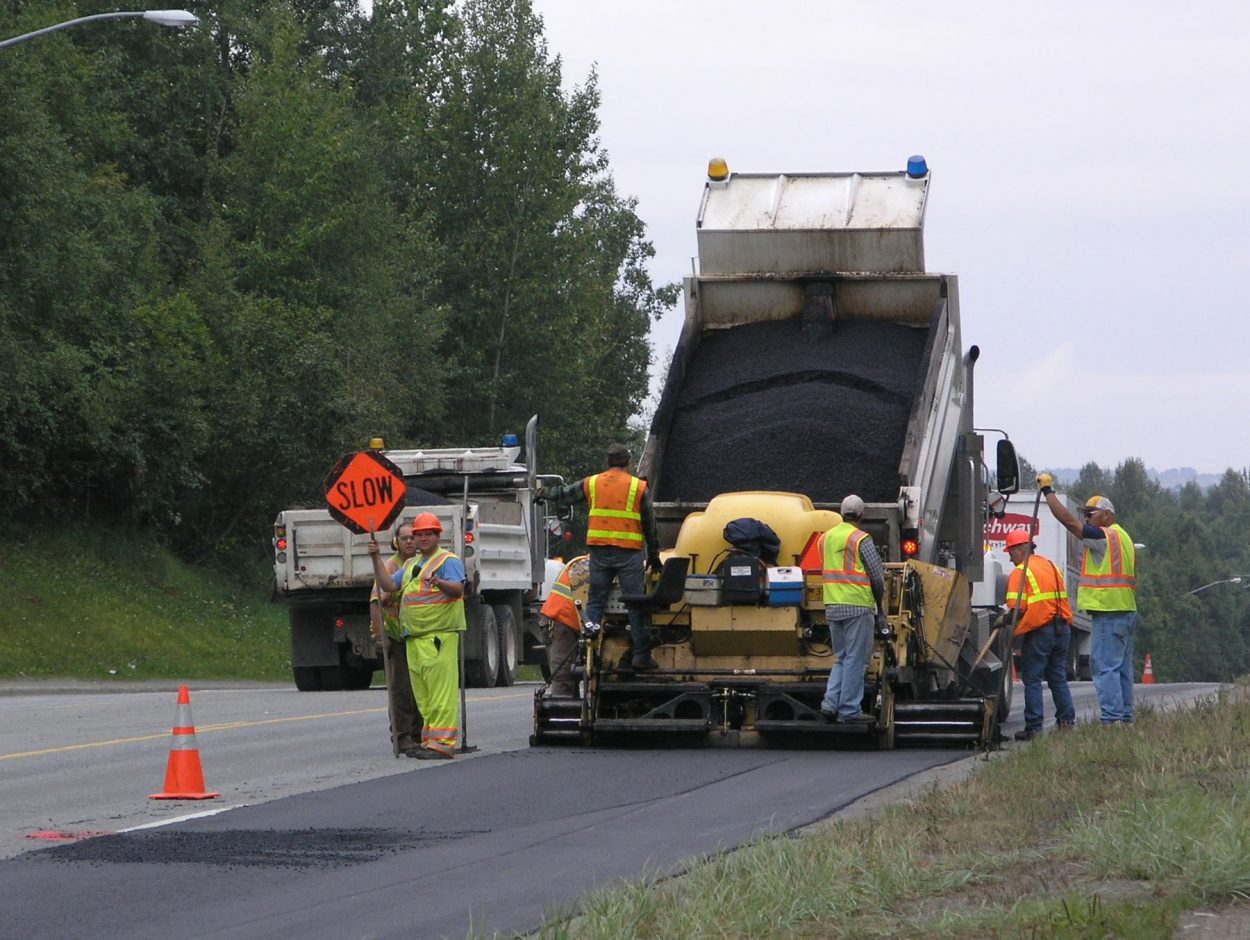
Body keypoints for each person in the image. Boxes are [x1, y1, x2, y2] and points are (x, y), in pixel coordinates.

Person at [541, 444, 662, 670]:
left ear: (607, 462)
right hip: (628, 554)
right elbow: (650, 526)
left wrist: (544, 493)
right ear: (628, 463)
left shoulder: (593, 483)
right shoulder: (638, 487)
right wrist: (654, 556)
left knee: (596, 600)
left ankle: (591, 649)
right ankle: (640, 656)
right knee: (635, 603)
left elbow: (565, 495)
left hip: (599, 553)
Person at [1038, 475, 1137, 724]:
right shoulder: (1122, 537)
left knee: (1104, 669)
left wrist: (1048, 492)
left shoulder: (1105, 538)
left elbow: (1070, 523)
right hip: (1125, 611)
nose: (1086, 519)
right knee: (1121, 670)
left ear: (1106, 514)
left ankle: (1112, 721)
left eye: (1090, 513)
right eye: (1085, 514)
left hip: (1109, 612)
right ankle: (1124, 719)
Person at [368, 511, 467, 759]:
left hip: (438, 637)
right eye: (418, 534)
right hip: (414, 638)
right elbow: (389, 586)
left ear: (437, 536)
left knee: (440, 693)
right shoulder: (412, 565)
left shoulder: (448, 561)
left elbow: (458, 589)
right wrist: (376, 557)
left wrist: (440, 583)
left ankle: (443, 744)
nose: (422, 539)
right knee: (423, 696)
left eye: (427, 534)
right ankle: (429, 741)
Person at [1001, 527, 1076, 740]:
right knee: (1058, 677)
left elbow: (1018, 609)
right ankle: (1066, 723)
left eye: (1011, 553)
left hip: (1040, 631)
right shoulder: (1050, 566)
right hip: (1063, 630)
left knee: (1032, 678)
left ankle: (1033, 727)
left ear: (1020, 549)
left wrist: (1007, 624)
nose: (1010, 558)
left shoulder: (1020, 572)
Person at [818, 495, 885, 724]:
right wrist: (880, 602)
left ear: (841, 512)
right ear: (862, 515)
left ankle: (829, 703)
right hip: (857, 607)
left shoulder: (825, 538)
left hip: (832, 605)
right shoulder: (860, 539)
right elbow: (877, 576)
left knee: (841, 658)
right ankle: (848, 711)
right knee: (856, 660)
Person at [369, 522, 424, 756]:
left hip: (419, 636)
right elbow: (376, 601)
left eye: (413, 537)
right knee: (401, 690)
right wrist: (381, 636)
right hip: (397, 637)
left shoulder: (423, 564)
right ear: (396, 542)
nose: (409, 542)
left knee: (420, 690)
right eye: (404, 538)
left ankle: (417, 735)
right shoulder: (391, 566)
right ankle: (401, 737)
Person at [540, 554, 590, 696]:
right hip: (561, 621)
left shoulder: (580, 562)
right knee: (564, 676)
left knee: (568, 676)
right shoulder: (584, 568)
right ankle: (563, 712)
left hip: (566, 621)